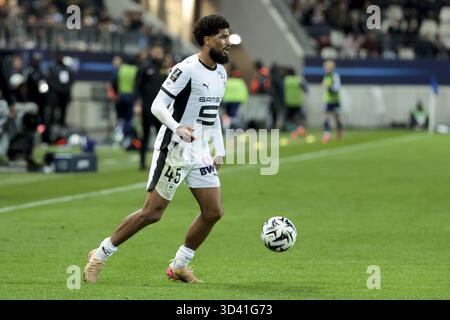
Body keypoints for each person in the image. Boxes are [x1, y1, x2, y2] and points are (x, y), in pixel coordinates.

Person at [83, 15, 231, 284]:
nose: (227, 42)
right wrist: (177, 128)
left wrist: (218, 149)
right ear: (207, 40)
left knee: (213, 212)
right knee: (152, 213)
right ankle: (99, 255)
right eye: (222, 36)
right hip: (175, 148)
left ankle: (179, 266)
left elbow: (214, 112)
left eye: (228, 36)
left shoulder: (221, 72)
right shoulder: (185, 69)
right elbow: (157, 106)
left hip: (199, 152)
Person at [134, 44, 167, 170]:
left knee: (161, 136)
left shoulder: (164, 69)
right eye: (156, 52)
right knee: (146, 135)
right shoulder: (144, 68)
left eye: (160, 52)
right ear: (151, 53)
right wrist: (137, 104)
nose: (159, 55)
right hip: (147, 107)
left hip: (161, 108)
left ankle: (160, 162)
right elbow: (137, 87)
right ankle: (142, 162)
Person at [47, 52, 75, 128]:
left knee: (63, 112)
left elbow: (71, 79)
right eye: (59, 56)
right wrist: (58, 89)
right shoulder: (53, 68)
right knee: (52, 112)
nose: (61, 58)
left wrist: (65, 89)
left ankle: (61, 127)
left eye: (62, 56)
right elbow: (50, 80)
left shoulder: (67, 68)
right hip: (55, 94)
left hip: (64, 94)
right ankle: (51, 128)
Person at [321, 60, 342, 144]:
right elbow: (324, 87)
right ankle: (326, 135)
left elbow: (337, 88)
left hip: (335, 100)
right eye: (325, 68)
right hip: (328, 101)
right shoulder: (326, 77)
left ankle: (339, 132)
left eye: (328, 68)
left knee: (337, 118)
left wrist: (329, 88)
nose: (326, 69)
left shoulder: (335, 76)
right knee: (327, 117)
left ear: (332, 68)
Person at [283, 68, 308, 139]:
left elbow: (282, 90)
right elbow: (306, 89)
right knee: (300, 118)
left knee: (290, 119)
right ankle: (300, 130)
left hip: (289, 102)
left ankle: (293, 133)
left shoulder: (286, 80)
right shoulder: (299, 79)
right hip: (298, 102)